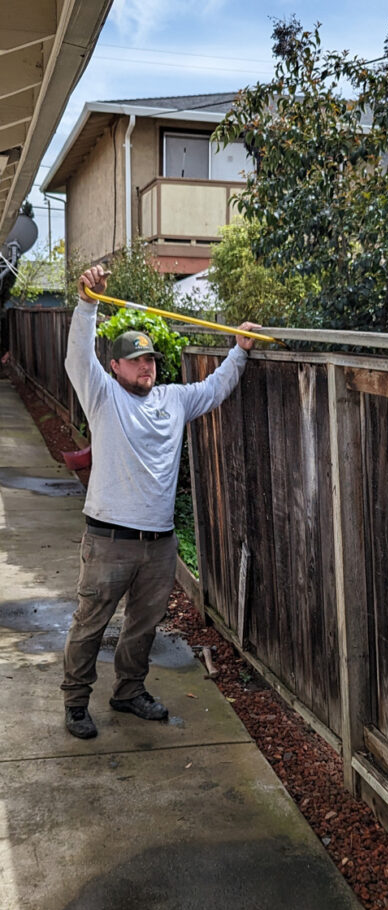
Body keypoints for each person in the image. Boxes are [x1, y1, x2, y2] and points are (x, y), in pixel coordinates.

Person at [62, 265, 259, 740]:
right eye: (135, 360)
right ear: (116, 367)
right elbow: (76, 358)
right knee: (91, 624)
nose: (145, 366)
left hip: (159, 542)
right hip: (109, 539)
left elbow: (214, 389)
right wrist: (88, 302)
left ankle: (129, 691)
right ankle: (75, 702)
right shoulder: (103, 396)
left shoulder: (173, 400)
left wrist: (240, 351)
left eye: (149, 359)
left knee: (143, 627)